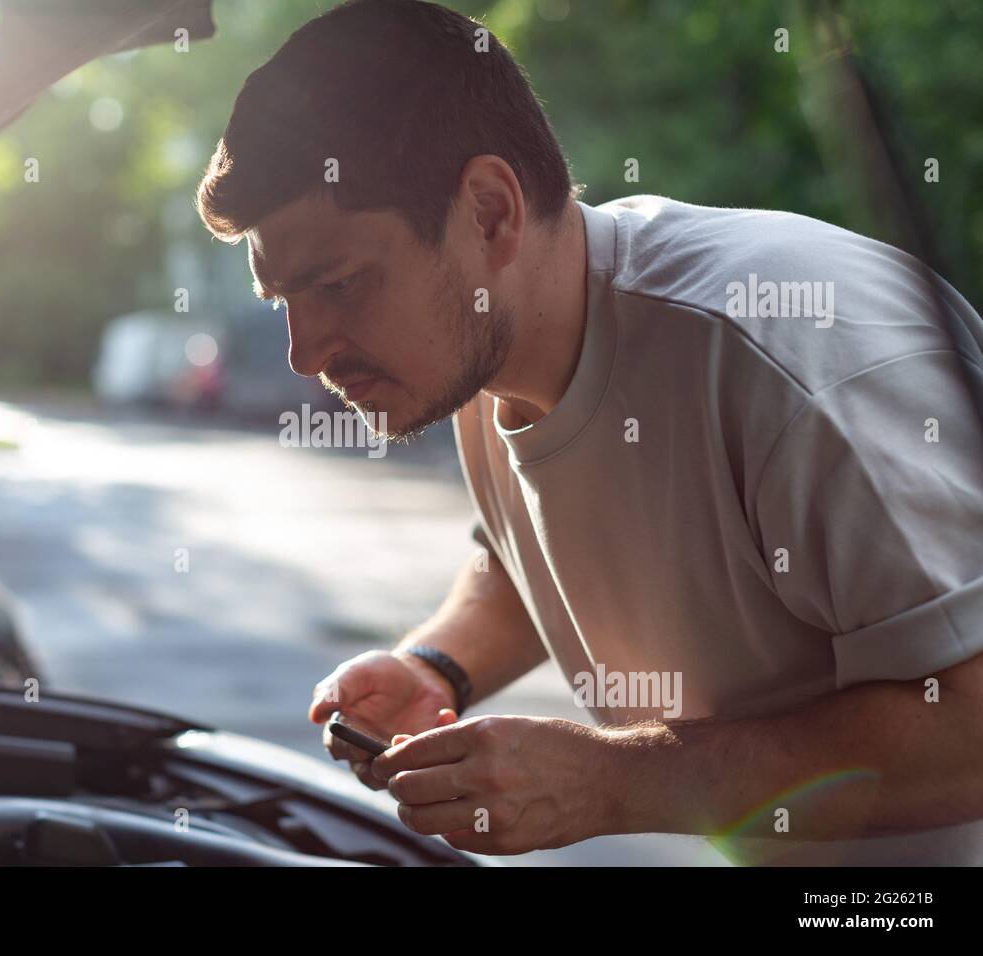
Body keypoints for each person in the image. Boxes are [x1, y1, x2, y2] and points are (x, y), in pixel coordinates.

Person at [194, 0, 983, 864]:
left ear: (491, 211)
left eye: (340, 286)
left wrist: (617, 780)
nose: (304, 355)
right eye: (283, 305)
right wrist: (438, 667)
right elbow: (532, 547)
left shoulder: (791, 357)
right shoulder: (484, 352)